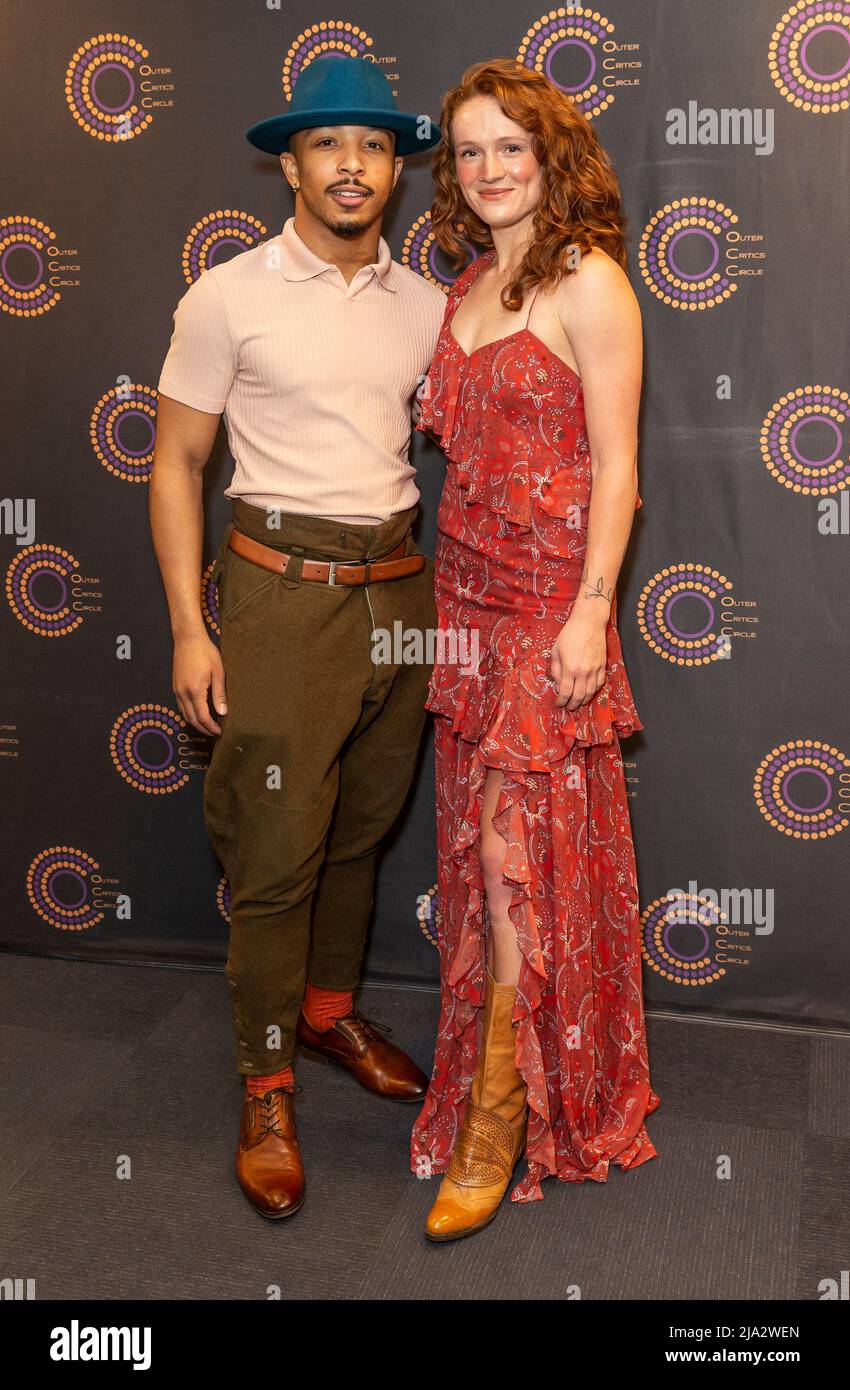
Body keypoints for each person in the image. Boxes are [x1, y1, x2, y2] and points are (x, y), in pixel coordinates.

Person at [149, 55, 447, 1219]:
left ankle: (326, 1017)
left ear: (395, 170)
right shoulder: (225, 294)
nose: (351, 165)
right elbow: (175, 463)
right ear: (290, 162)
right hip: (277, 597)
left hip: (399, 593)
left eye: (372, 146)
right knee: (274, 855)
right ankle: (266, 1079)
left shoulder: (425, 304)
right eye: (327, 143)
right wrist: (189, 625)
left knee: (364, 826)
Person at [410, 58, 661, 1241]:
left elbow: (617, 467)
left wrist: (589, 612)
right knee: (482, 855)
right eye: (467, 150)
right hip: (463, 596)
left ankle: (500, 1119)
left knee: (515, 864)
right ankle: (514, 1076)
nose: (488, 168)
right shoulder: (465, 282)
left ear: (549, 155)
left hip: (545, 600)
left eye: (509, 145)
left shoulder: (588, 280)